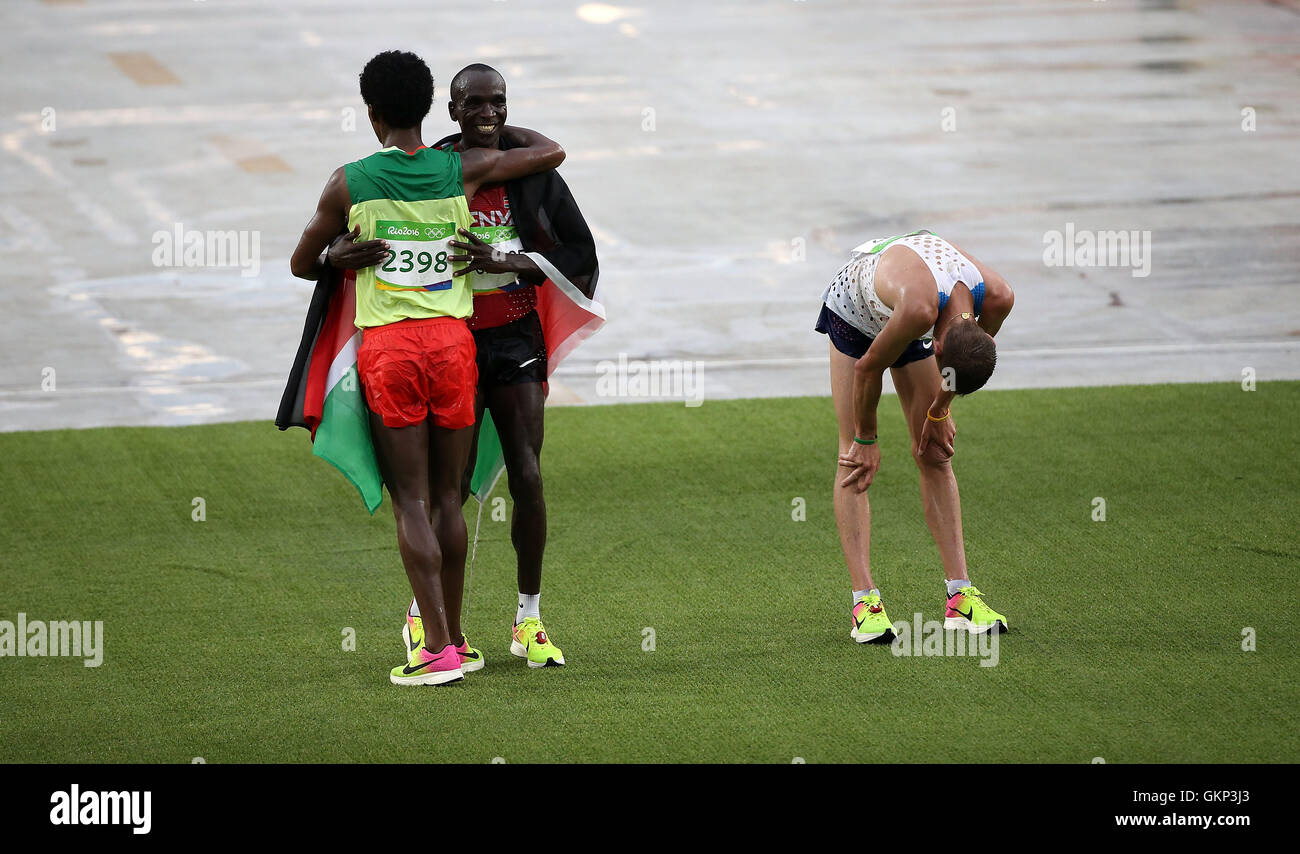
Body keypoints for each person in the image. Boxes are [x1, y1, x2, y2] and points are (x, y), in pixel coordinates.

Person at [289, 50, 565, 685]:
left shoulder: (348, 182)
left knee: (409, 500)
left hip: (391, 351)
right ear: (430, 110)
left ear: (371, 113)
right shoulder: (461, 168)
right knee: (448, 498)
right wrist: (500, 126)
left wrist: (338, 252)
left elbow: (302, 264)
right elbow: (551, 152)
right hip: (454, 350)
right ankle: (459, 639)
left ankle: (436, 650)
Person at [820, 230, 1014, 643]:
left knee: (935, 453)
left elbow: (966, 357)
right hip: (857, 312)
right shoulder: (920, 312)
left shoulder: (997, 299)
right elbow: (868, 369)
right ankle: (864, 605)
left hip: (914, 314)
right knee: (851, 456)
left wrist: (940, 409)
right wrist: (868, 441)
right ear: (936, 346)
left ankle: (960, 599)